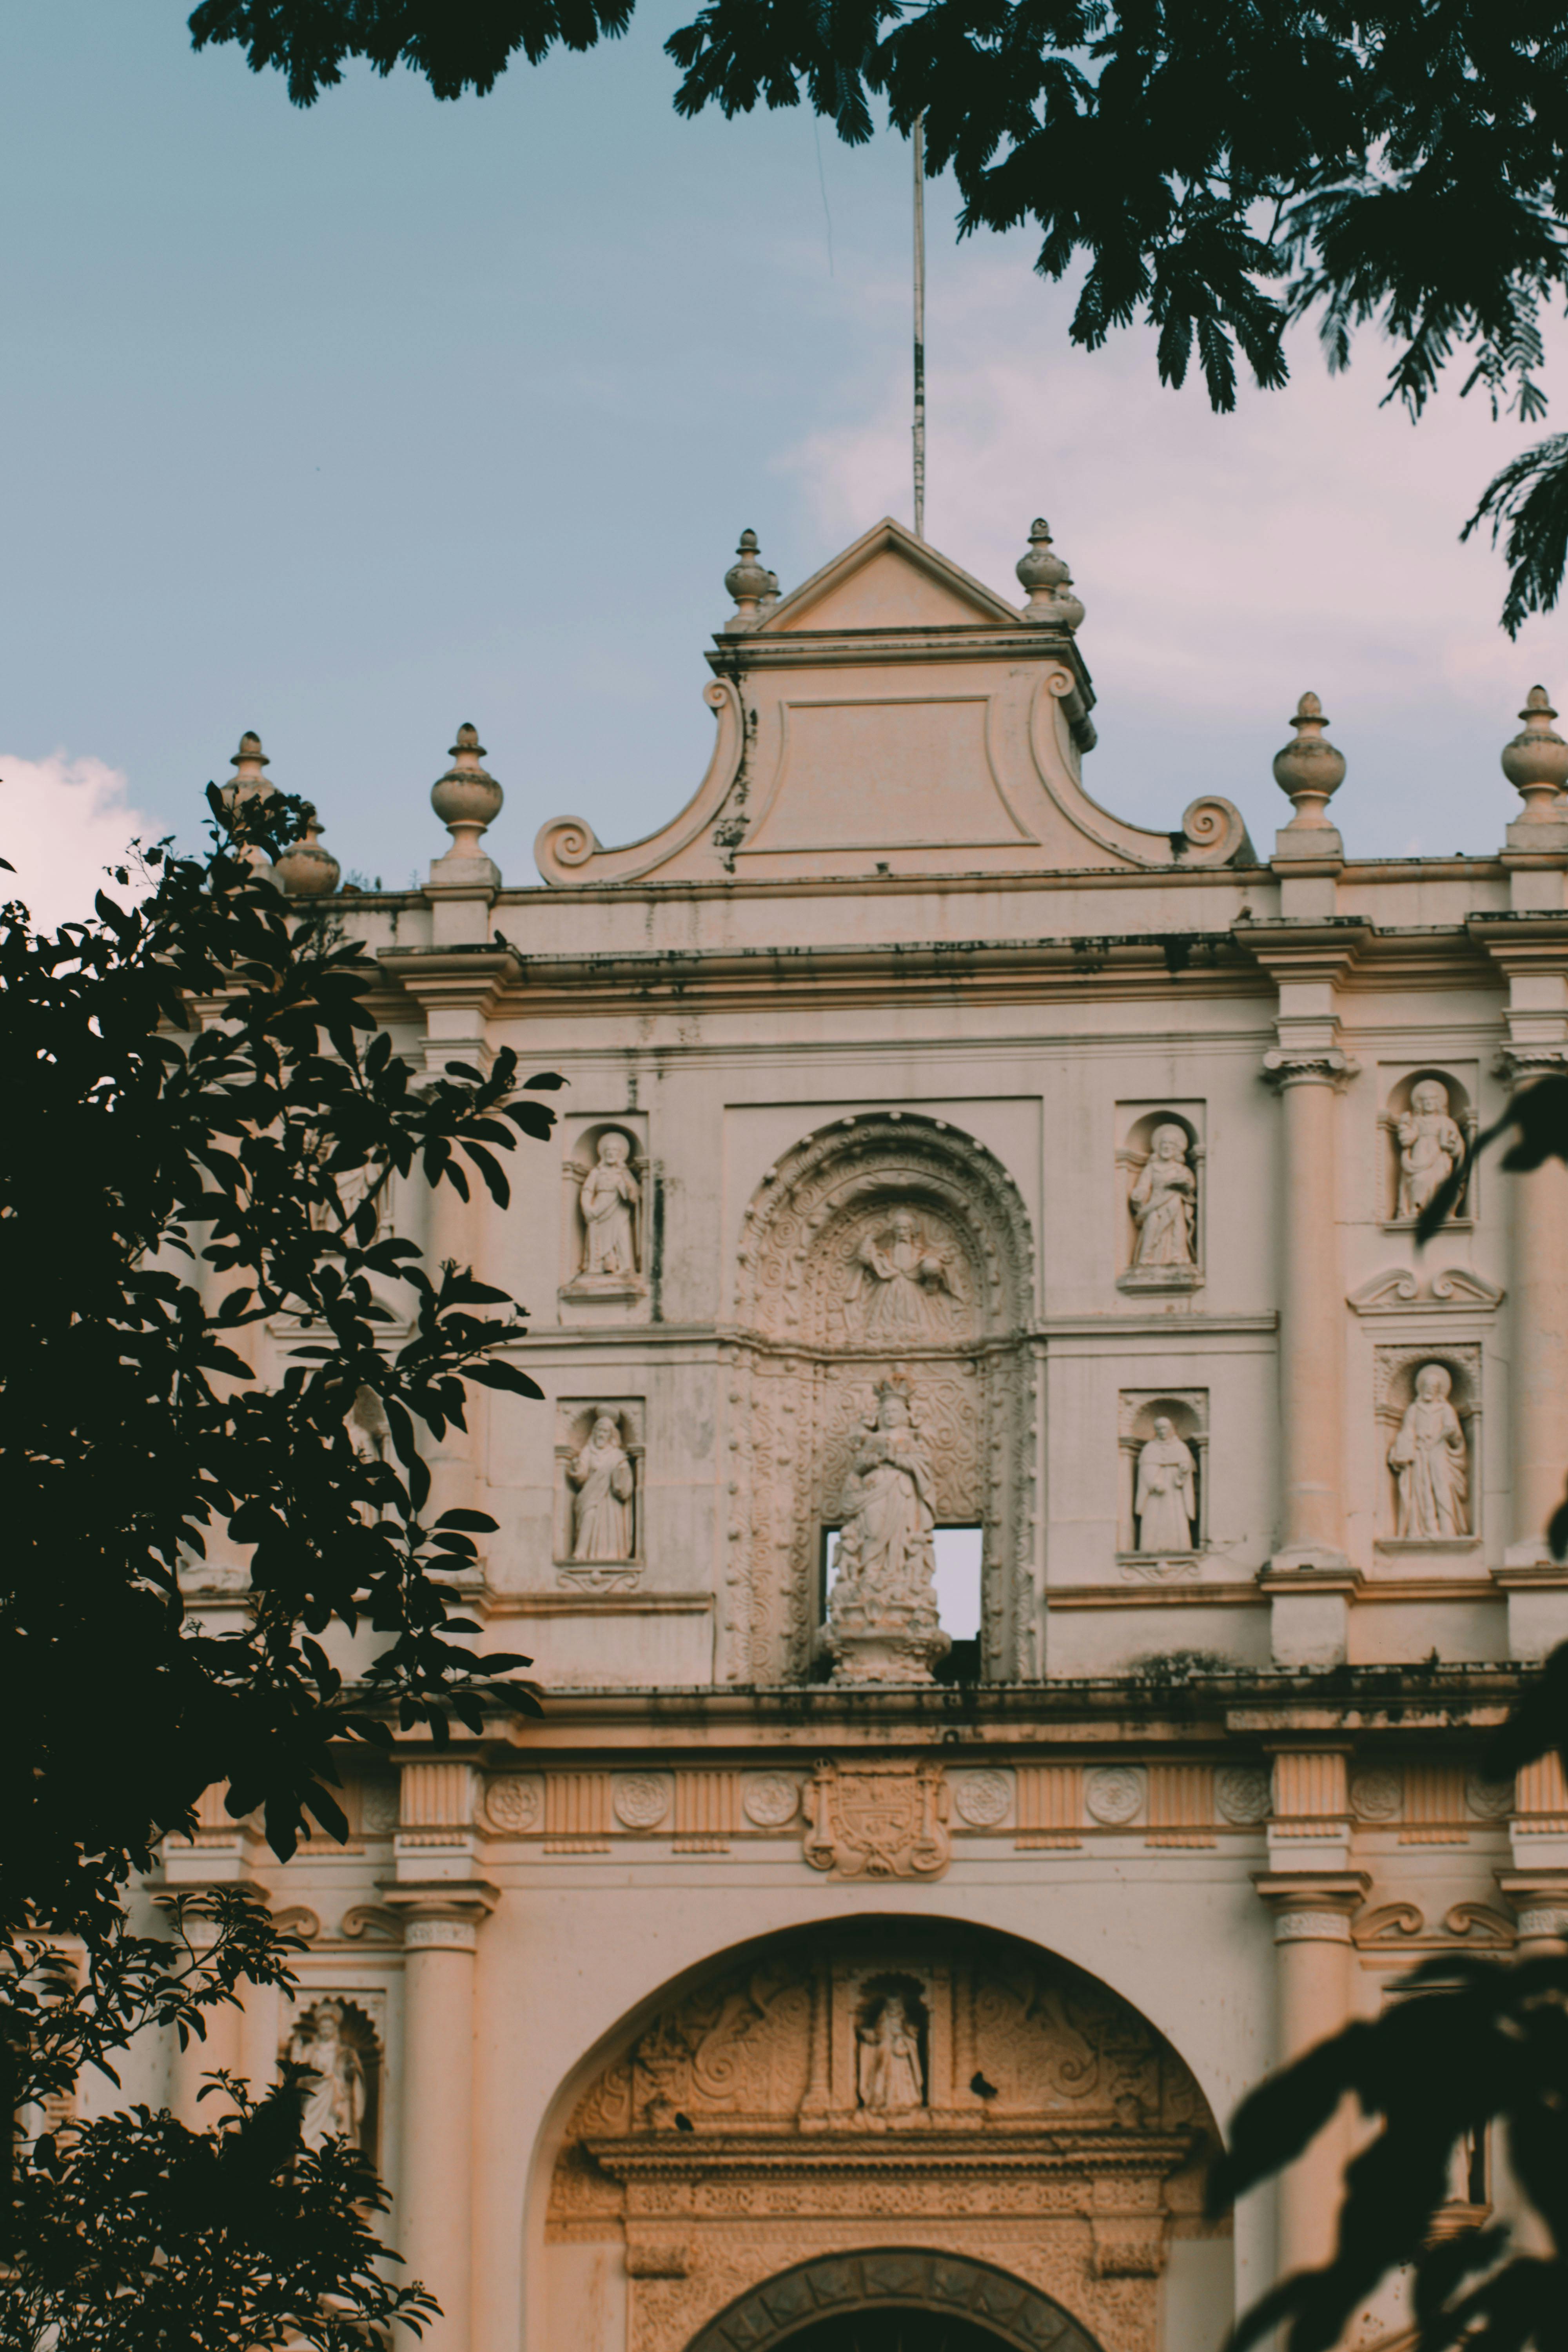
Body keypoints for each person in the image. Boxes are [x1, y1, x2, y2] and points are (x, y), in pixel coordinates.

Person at [832, 1387, 937, 1612]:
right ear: (880, 1415)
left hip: (901, 1490)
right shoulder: (873, 1439)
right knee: (874, 1531)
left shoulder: (912, 1440)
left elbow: (923, 1468)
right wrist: (874, 1460)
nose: (890, 1415)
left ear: (904, 1415)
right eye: (886, 1411)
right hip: (874, 1491)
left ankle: (897, 1576)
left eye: (894, 1411)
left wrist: (897, 1459)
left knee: (900, 1534)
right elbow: (859, 1466)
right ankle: (870, 1574)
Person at [851, 1210, 957, 1341]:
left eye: (905, 1228)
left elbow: (934, 1269)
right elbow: (865, 1258)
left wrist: (933, 1277)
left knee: (919, 1326)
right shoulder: (885, 1255)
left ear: (912, 1231)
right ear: (894, 1231)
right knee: (880, 1325)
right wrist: (869, 1238)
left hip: (913, 1291)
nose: (902, 1232)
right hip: (888, 1289)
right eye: (899, 1228)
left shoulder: (921, 1255)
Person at [1388, 1364, 1468, 1538]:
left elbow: (1456, 1438)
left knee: (1442, 1488)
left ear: (1439, 1390)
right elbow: (1407, 1431)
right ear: (1421, 1388)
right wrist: (1413, 1441)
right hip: (1420, 1453)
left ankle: (1448, 1529)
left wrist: (1449, 1434)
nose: (1429, 1389)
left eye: (1433, 1387)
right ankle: (1419, 1529)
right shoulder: (1414, 1409)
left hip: (1440, 1454)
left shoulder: (1446, 1409)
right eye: (1426, 1386)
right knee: (1420, 1491)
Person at [290, 2000, 365, 2150]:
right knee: (309, 2134)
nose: (325, 2031)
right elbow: (298, 2072)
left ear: (335, 2029)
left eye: (328, 2028)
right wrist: (297, 2052)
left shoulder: (344, 2051)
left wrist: (350, 2071)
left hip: (335, 2098)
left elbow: (352, 2076)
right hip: (314, 2098)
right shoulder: (310, 2050)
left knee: (333, 2132)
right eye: (323, 2028)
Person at [1395, 1080, 1465, 1221]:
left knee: (1441, 1180)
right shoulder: (1416, 1121)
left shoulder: (1446, 1121)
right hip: (1420, 1153)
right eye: (1425, 1100)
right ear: (1420, 1103)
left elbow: (1458, 1144)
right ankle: (1416, 1209)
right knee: (1419, 1179)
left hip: (1440, 1155)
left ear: (1438, 1102)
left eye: (1432, 1099)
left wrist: (1451, 1146)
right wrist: (1404, 1127)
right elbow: (1407, 1140)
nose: (1428, 1102)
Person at [570, 1413, 636, 1561]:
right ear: (594, 1433)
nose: (601, 1434)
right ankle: (581, 1553)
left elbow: (624, 1487)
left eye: (605, 1431)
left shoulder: (617, 1455)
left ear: (611, 1435)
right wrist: (577, 1469)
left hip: (610, 1501)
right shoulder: (588, 1452)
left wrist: (623, 1471)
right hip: (590, 1496)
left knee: (610, 1526)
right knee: (589, 1516)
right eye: (598, 1430)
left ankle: (614, 1555)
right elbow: (582, 1477)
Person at [1129, 1124, 1196, 1267]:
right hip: (1155, 1205)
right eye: (1164, 1143)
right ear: (1158, 1147)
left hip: (1175, 1205)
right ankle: (1147, 1258)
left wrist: (1184, 1184)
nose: (1167, 1147)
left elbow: (1190, 1186)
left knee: (1176, 1233)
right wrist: (1139, 1194)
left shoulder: (1181, 1169)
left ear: (1177, 1148)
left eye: (1170, 1144)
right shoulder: (1151, 1168)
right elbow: (1143, 1186)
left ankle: (1176, 1257)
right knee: (1151, 1228)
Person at [579, 1132, 640, 1278]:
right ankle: (603, 1266)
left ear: (620, 1154)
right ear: (603, 1154)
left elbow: (634, 1195)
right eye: (608, 1151)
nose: (611, 1154)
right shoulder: (596, 1172)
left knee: (622, 1238)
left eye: (615, 1151)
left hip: (619, 1209)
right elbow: (587, 1190)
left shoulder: (624, 1173)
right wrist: (587, 1207)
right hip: (599, 1208)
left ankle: (624, 1267)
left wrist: (625, 1184)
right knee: (599, 1238)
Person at [1134, 1417, 1198, 1552]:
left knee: (1176, 1518)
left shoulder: (1181, 1447)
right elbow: (1145, 1469)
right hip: (1155, 1494)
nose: (1162, 1432)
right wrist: (1154, 1484)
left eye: (1164, 1428)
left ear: (1171, 1429)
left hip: (1175, 1492)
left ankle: (1179, 1547)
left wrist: (1183, 1472)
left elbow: (1187, 1469)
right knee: (1152, 1519)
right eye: (1158, 1429)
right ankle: (1150, 1549)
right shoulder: (1150, 1448)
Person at [857, 1993, 924, 2111]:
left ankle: (903, 2101)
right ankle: (881, 2100)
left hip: (901, 2056)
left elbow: (913, 2034)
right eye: (891, 2006)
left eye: (896, 2006)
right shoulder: (882, 2020)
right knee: (883, 2076)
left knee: (901, 2078)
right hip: (885, 2055)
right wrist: (869, 2035)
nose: (893, 2009)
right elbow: (876, 2036)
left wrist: (903, 2041)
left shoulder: (905, 2021)